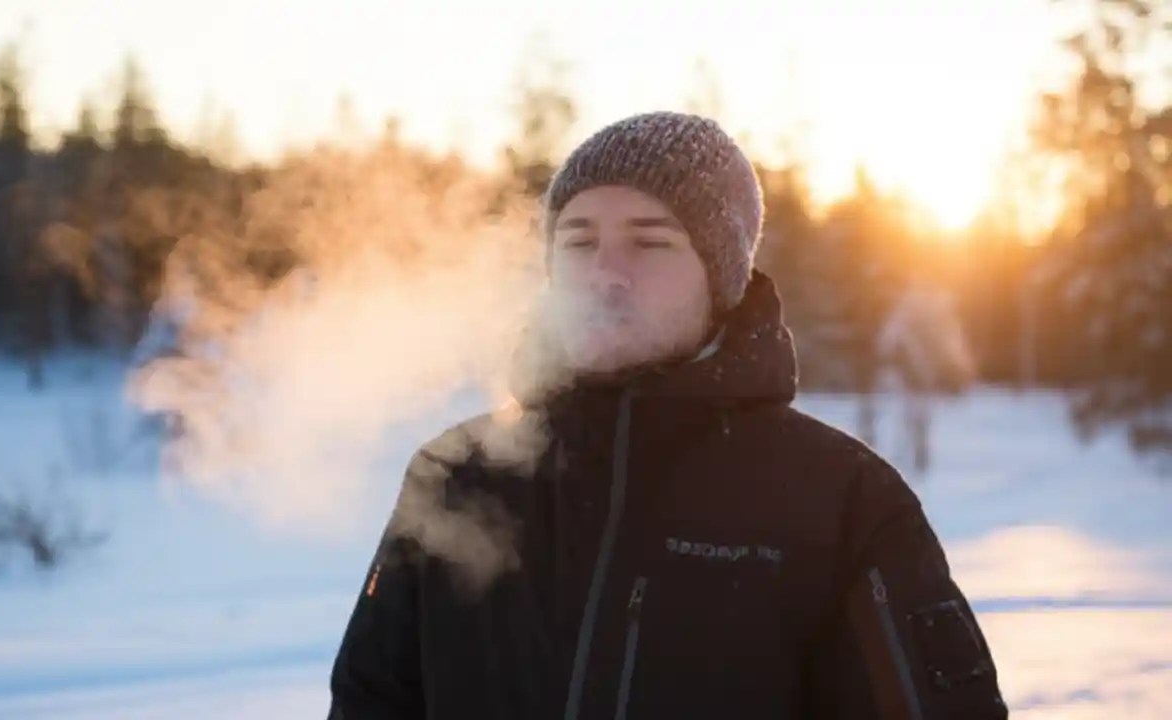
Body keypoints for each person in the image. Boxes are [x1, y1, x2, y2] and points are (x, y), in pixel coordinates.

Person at [328, 111, 1006, 719]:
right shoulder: (456, 477)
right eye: (577, 241)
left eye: (649, 243)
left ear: (721, 278)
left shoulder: (842, 500)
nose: (607, 273)